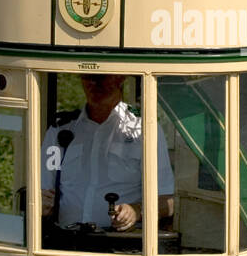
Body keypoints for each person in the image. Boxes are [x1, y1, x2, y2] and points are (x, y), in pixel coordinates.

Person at [41, 74, 174, 234]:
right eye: (86, 77)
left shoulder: (144, 128)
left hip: (118, 246)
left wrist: (136, 211)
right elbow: (43, 191)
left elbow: (167, 201)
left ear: (121, 77)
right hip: (66, 242)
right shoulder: (61, 129)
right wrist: (41, 204)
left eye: (101, 76)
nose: (93, 82)